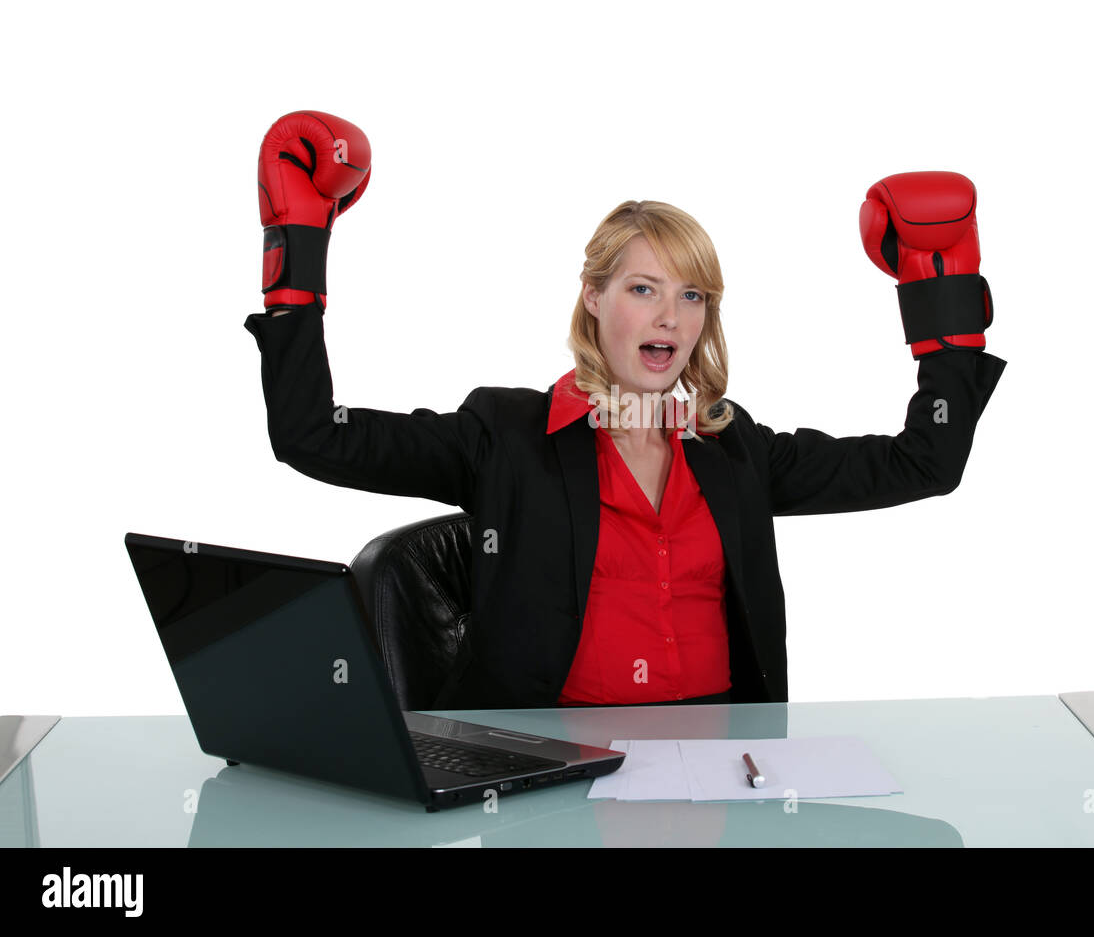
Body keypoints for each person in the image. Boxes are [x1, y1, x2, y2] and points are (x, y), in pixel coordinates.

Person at [245, 111, 1007, 711]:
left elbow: (926, 463)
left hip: (724, 762)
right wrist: (296, 262)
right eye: (643, 289)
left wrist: (943, 302)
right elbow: (315, 437)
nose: (669, 317)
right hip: (550, 770)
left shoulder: (733, 446)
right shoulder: (505, 437)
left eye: (691, 295)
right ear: (594, 298)